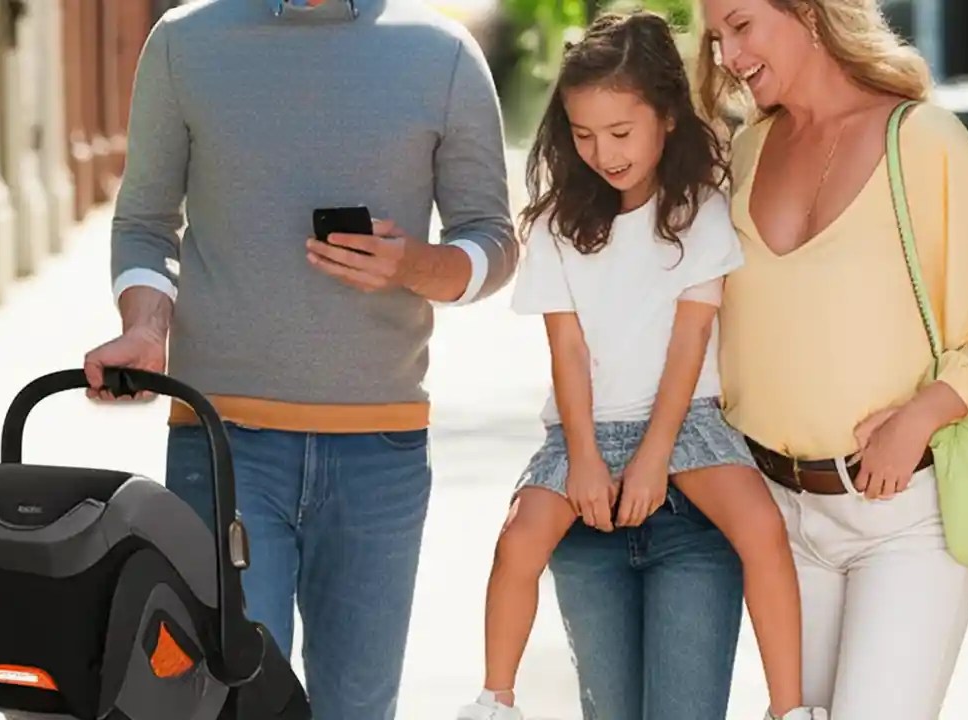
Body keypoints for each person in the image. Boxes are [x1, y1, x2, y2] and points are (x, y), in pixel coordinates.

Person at [81, 0, 517, 717]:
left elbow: (492, 239)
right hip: (222, 449)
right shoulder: (184, 43)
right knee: (230, 705)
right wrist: (146, 326)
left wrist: (415, 265)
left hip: (379, 454)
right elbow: (145, 223)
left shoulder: (442, 53)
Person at [459, 12, 823, 720]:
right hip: (583, 427)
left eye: (621, 133)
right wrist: (584, 457)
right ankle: (495, 701)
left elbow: (690, 342)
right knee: (519, 538)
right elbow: (567, 352)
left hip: (687, 422)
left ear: (667, 117)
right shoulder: (555, 227)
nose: (603, 152)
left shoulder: (700, 212)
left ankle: (790, 709)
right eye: (584, 135)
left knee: (760, 527)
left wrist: (655, 456)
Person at [699, 1, 968, 718]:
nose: (729, 57)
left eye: (741, 26)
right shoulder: (747, 152)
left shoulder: (923, 141)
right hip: (778, 520)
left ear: (807, 12)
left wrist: (922, 414)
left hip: (904, 518)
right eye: (716, 40)